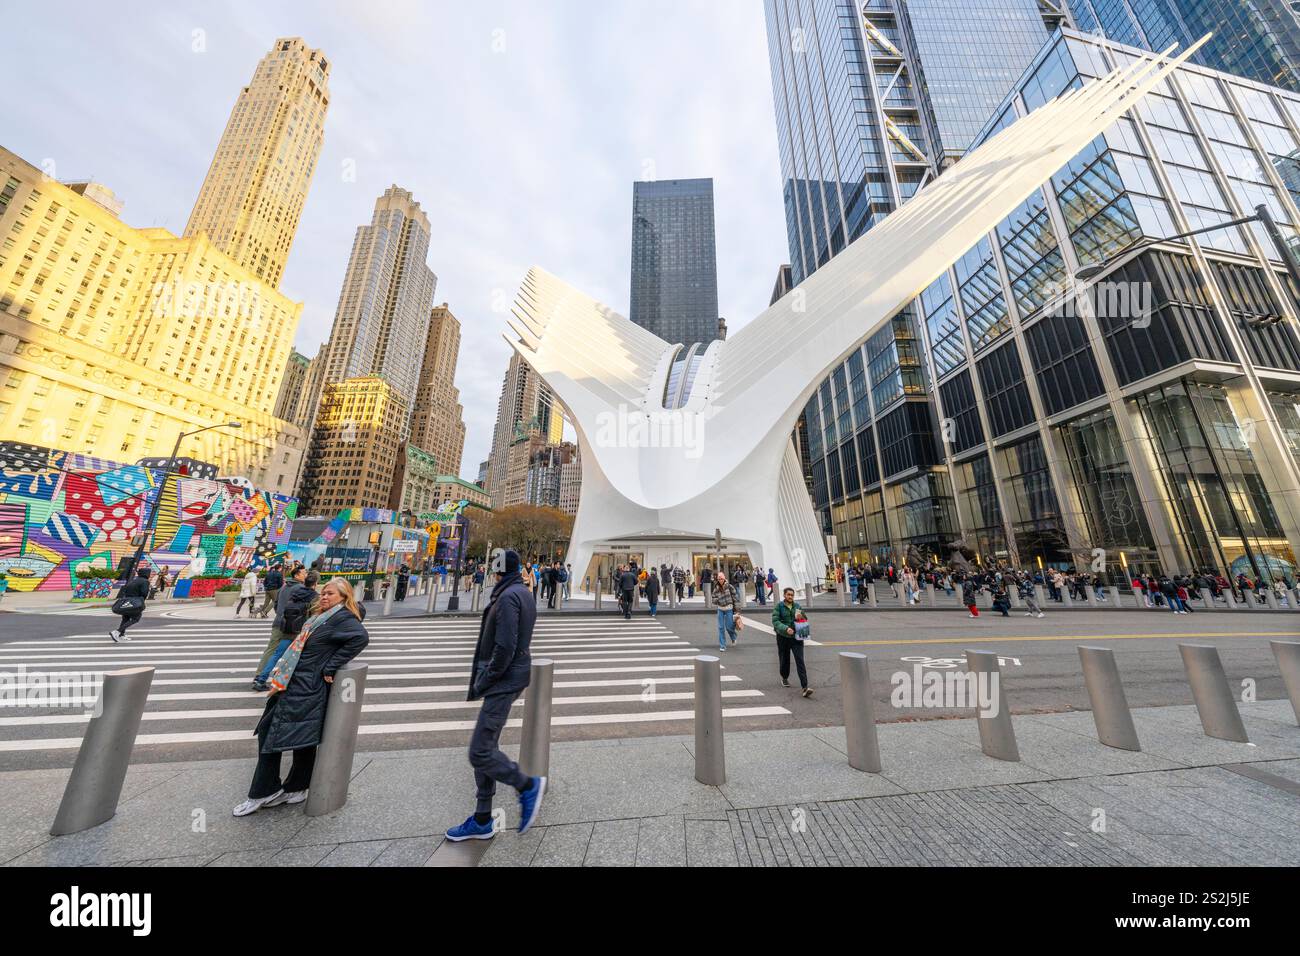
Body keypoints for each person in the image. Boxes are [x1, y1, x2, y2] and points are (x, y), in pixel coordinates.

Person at [233, 577, 369, 816]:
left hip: (306, 685)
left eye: (330, 594)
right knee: (298, 737)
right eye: (323, 593)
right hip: (294, 682)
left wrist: (330, 666)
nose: (324, 597)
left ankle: (263, 792)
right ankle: (296, 787)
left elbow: (360, 637)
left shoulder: (342, 618)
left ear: (344, 598)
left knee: (272, 734)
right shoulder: (321, 618)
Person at [445, 549, 546, 842]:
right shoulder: (522, 593)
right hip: (510, 677)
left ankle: (527, 786)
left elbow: (504, 647)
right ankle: (481, 816)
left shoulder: (507, 598)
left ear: (498, 570)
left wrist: (486, 679)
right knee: (487, 746)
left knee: (479, 750)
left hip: (503, 680)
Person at [252, 569, 318, 692]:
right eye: (303, 573)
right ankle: (286, 679)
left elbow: (276, 604)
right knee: (295, 654)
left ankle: (260, 676)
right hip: (295, 627)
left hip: (280, 623)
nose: (305, 574)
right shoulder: (303, 590)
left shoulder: (284, 587)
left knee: (272, 651)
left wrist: (282, 616)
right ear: (297, 575)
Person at [771, 587, 813, 697]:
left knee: (800, 661)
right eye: (788, 595)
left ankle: (805, 687)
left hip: (796, 637)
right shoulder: (779, 606)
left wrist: (801, 617)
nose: (790, 597)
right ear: (784, 595)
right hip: (783, 637)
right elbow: (775, 621)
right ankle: (784, 677)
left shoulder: (797, 606)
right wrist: (785, 628)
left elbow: (805, 619)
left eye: (792, 595)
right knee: (784, 659)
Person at [109, 568, 151, 643]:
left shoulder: (134, 580)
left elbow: (126, 589)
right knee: (136, 618)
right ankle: (117, 632)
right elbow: (144, 593)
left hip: (127, 601)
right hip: (135, 602)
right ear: (147, 574)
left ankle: (121, 635)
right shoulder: (145, 581)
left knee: (125, 619)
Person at [713, 571, 738, 651]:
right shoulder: (716, 588)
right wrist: (718, 599)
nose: (720, 580)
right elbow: (713, 599)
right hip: (720, 609)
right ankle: (722, 645)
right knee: (721, 628)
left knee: (729, 626)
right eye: (719, 579)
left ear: (724, 578)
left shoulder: (730, 586)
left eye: (722, 578)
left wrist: (737, 610)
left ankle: (733, 637)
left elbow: (735, 598)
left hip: (729, 608)